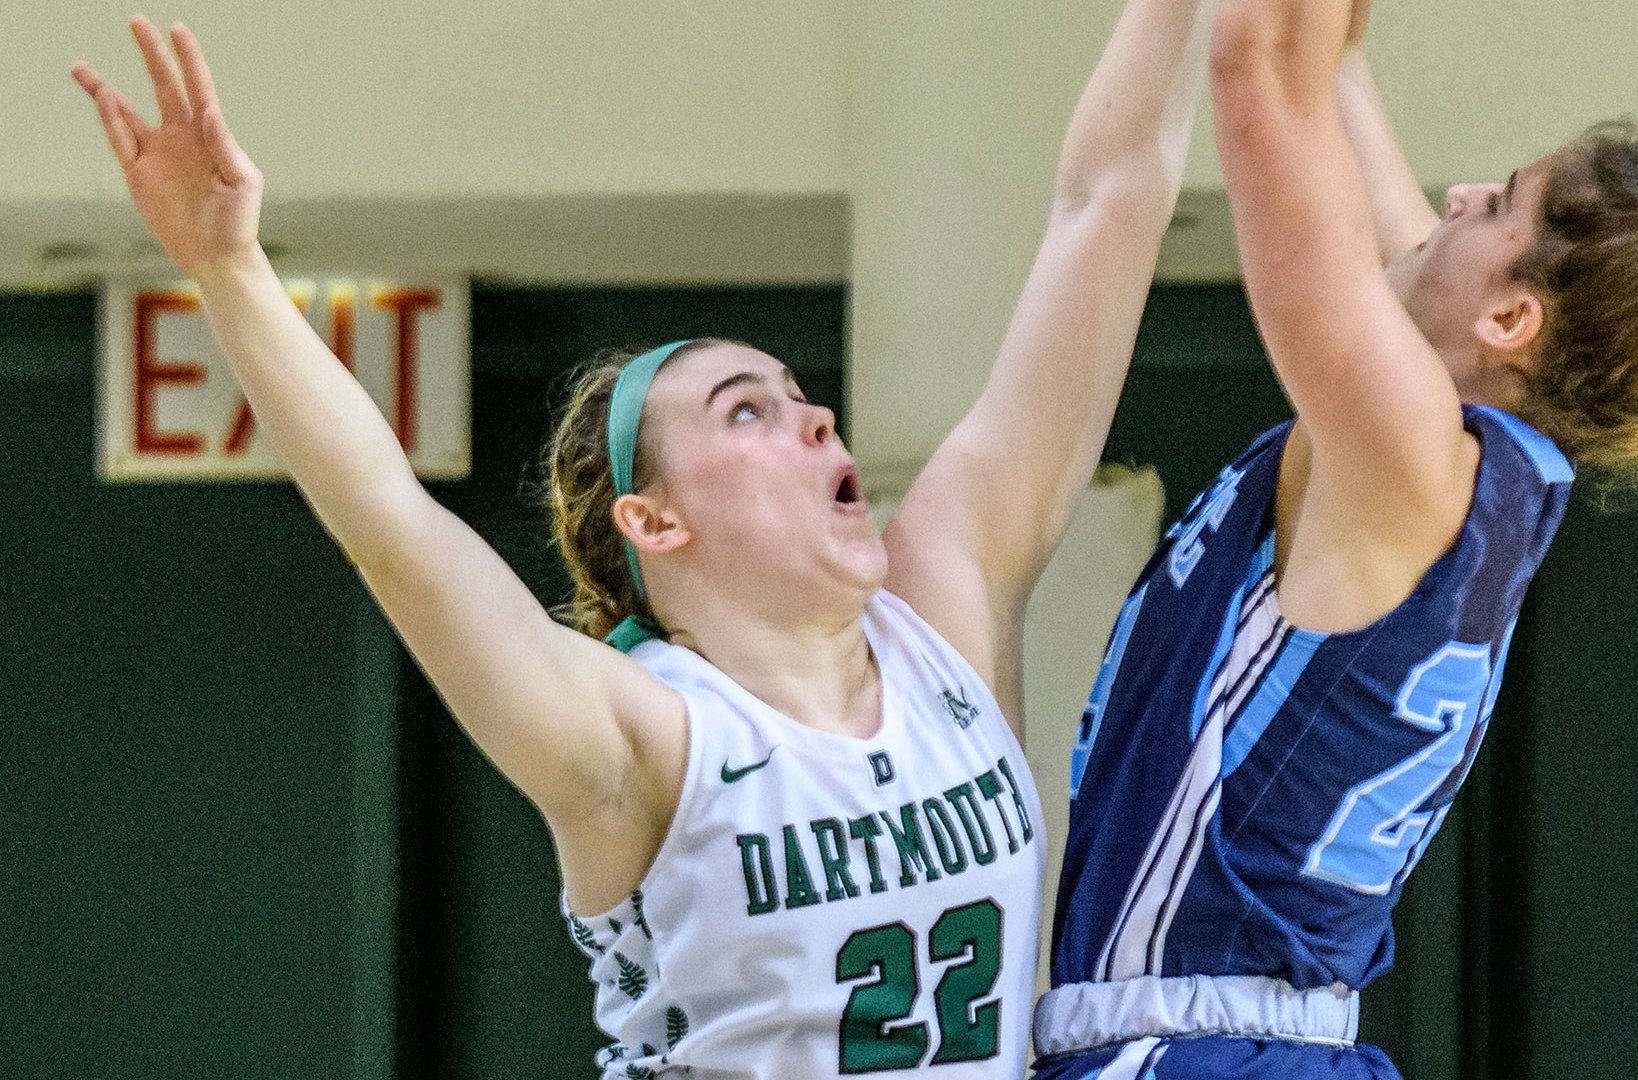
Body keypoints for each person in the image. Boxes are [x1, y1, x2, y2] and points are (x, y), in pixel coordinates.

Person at [71, 2, 1216, 1075]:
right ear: (653, 520)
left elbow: (1104, 208)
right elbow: (394, 528)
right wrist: (227, 269)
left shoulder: (945, 615)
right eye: (746, 410)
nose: (815, 414)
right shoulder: (648, 734)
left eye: (796, 390)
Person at [1033, 0, 1638, 1077]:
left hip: (1205, 1048)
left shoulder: (1409, 460)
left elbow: (1260, 60)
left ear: (1512, 323)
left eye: (1497, 202)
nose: (1454, 198)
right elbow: (1339, 75)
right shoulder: (1469, 466)